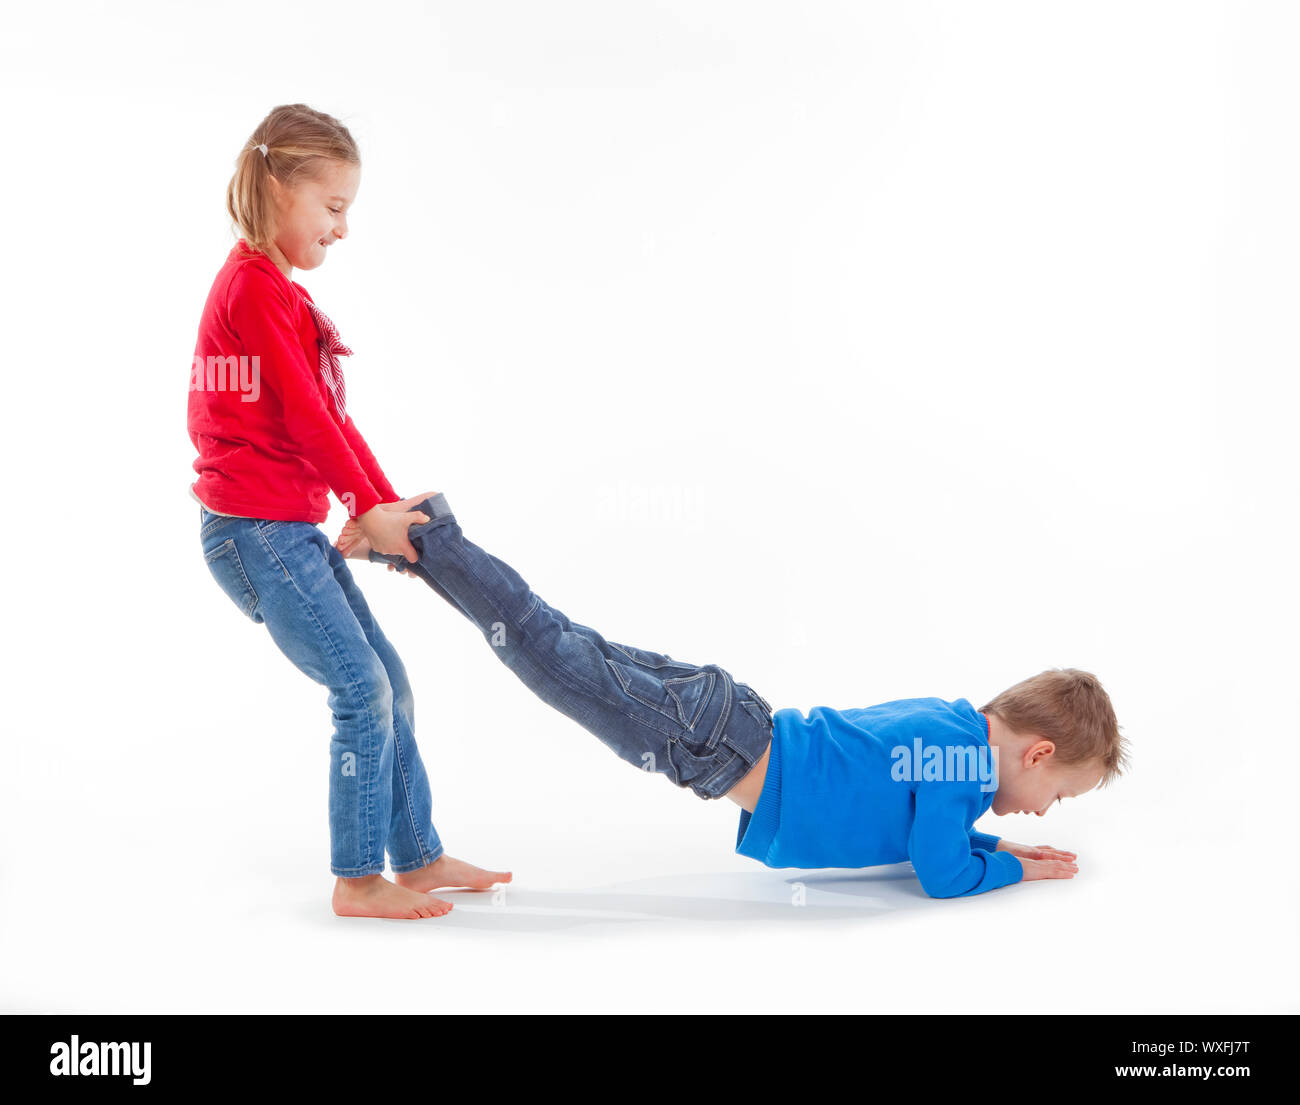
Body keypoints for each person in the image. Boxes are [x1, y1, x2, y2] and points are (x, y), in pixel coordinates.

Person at [339, 492, 1130, 899]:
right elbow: (940, 872)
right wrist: (1012, 871)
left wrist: (994, 844)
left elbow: (939, 835)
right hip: (713, 737)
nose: (1045, 810)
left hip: (722, 717)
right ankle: (424, 534)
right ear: (1039, 751)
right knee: (545, 649)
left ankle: (415, 551)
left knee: (551, 640)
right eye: (1058, 792)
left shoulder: (954, 736)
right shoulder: (961, 766)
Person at [190, 104, 508, 920]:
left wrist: (381, 506)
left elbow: (333, 424)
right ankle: (356, 876)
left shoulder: (280, 298)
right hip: (255, 533)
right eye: (333, 207)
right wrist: (368, 508)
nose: (342, 229)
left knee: (389, 680)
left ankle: (418, 855)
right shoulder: (253, 290)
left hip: (285, 528)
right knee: (361, 689)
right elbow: (303, 418)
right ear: (274, 187)